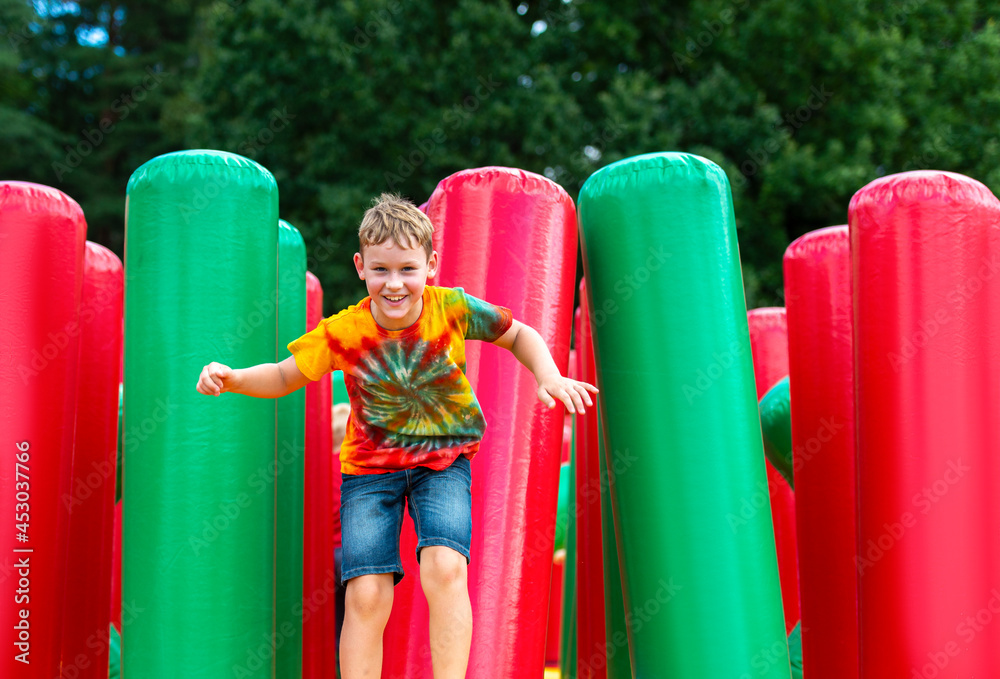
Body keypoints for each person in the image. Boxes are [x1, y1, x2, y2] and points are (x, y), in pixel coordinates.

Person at [195, 193, 598, 679]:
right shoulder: (344, 331)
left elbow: (519, 334)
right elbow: (285, 376)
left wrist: (548, 375)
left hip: (443, 463)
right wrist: (233, 377)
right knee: (366, 594)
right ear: (361, 267)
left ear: (430, 266)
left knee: (446, 567)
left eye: (407, 269)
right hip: (370, 474)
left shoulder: (449, 308)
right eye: (381, 269)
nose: (394, 283)